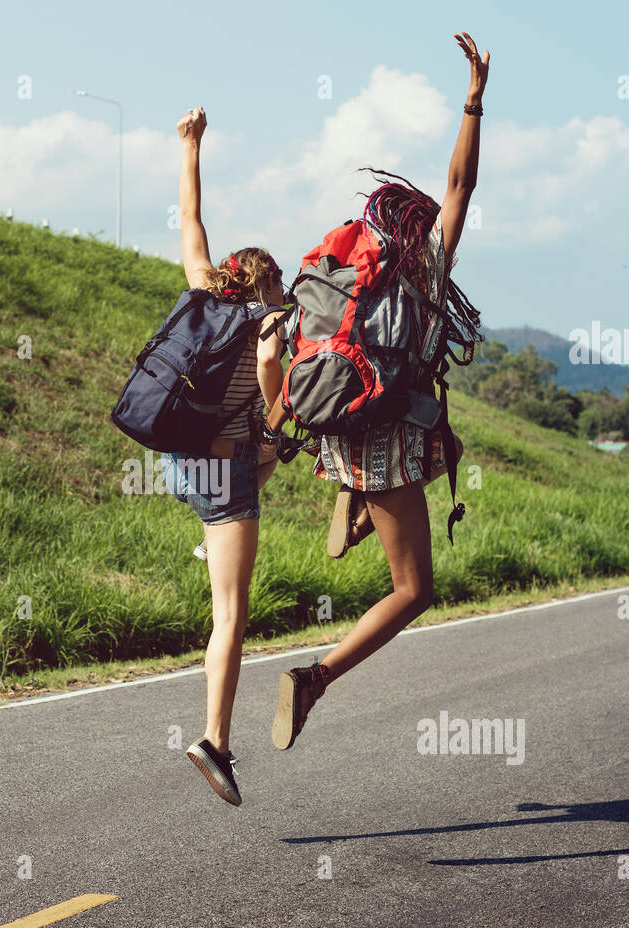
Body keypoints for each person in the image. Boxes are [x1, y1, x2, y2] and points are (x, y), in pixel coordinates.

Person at [270, 32, 490, 751]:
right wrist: (474, 101)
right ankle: (315, 678)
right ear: (419, 228)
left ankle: (351, 503)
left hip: (334, 426)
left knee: (419, 434)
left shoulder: (352, 276)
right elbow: (462, 185)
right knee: (413, 590)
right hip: (382, 440)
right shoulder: (425, 266)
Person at [166, 105, 289, 806]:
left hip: (176, 462)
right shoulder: (264, 322)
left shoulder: (203, 295)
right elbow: (271, 366)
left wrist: (190, 146)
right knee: (232, 617)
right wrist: (276, 410)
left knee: (268, 454)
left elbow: (190, 221)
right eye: (277, 286)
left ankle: (209, 542)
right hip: (224, 477)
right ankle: (215, 738)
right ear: (265, 284)